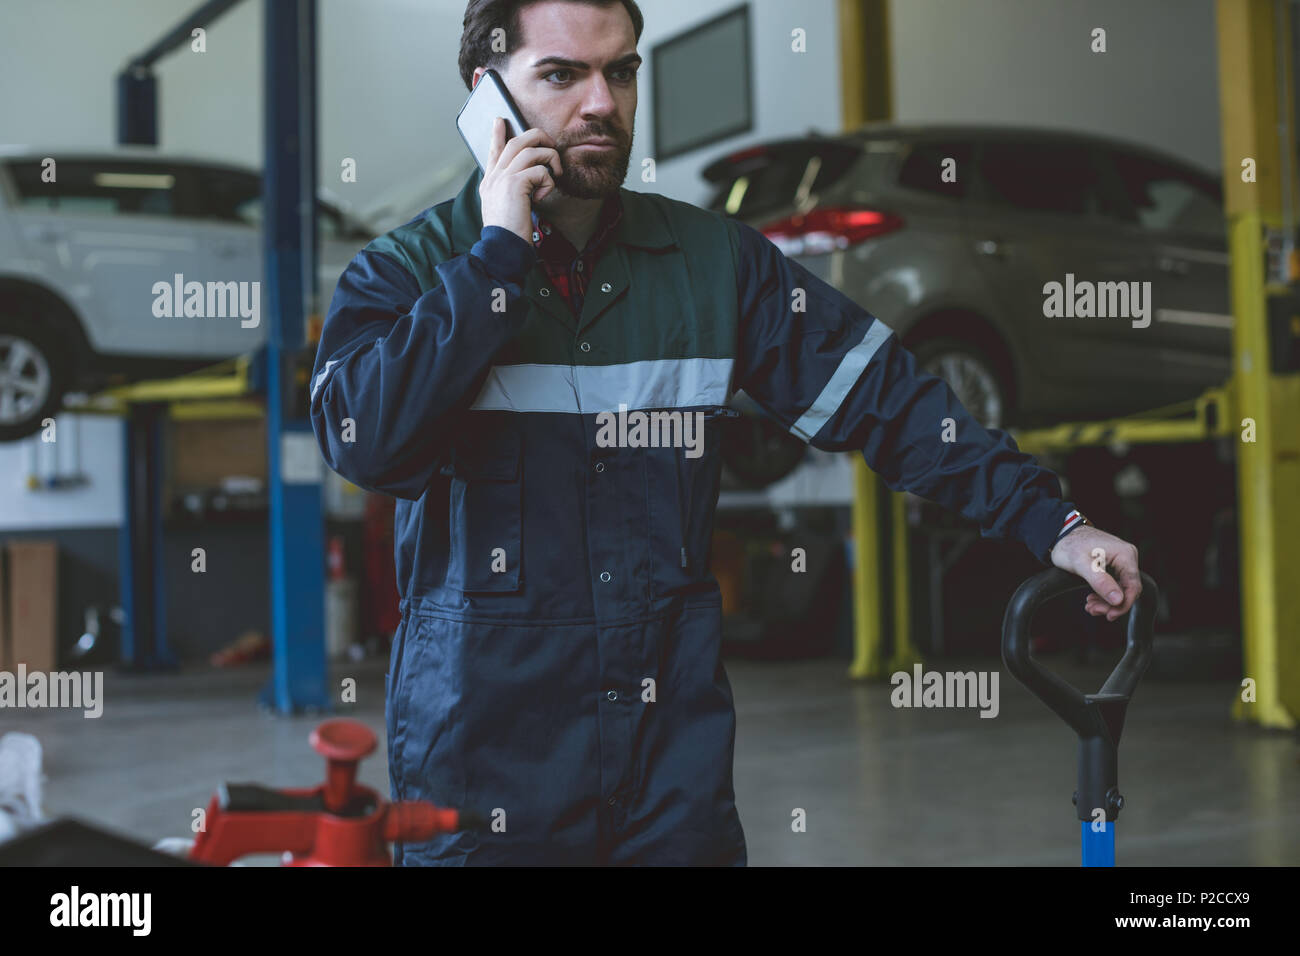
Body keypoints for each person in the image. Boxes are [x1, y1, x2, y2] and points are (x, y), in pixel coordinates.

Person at [309, 0, 1143, 865]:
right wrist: (493, 264)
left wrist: (1055, 524)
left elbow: (886, 398)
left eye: (622, 71)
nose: (602, 103)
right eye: (562, 75)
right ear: (487, 97)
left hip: (671, 778)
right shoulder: (405, 274)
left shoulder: (716, 266)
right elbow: (363, 443)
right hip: (484, 778)